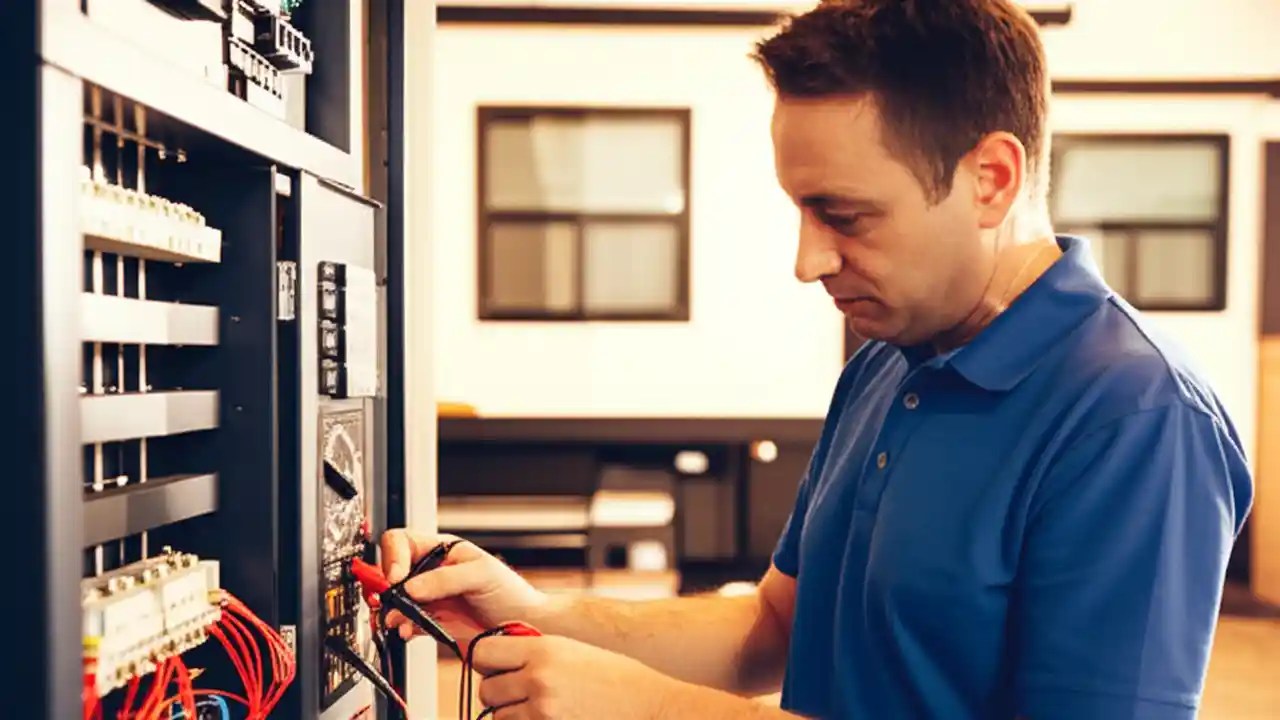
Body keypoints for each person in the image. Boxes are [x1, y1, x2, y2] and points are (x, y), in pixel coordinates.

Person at [381, 0, 1254, 717]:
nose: (809, 262)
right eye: (800, 211)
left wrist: (658, 711)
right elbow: (775, 626)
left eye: (845, 215)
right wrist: (544, 616)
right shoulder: (885, 365)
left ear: (991, 179)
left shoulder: (1137, 418)